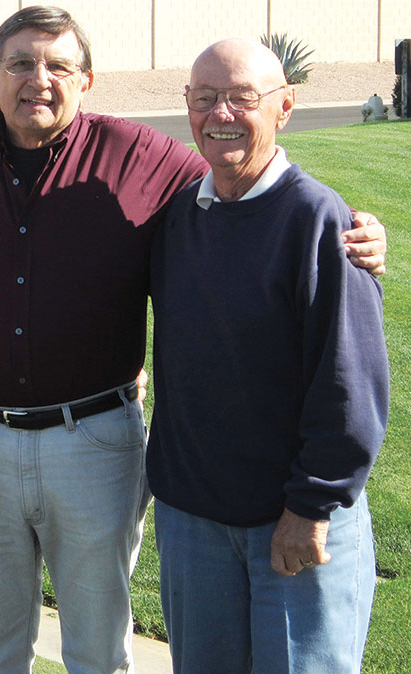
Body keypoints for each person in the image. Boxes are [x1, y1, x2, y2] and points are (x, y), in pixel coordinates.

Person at [0, 7, 387, 674]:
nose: (39, 79)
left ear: (87, 81)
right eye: (22, 63)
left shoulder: (143, 158)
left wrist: (349, 230)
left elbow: (248, 173)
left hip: (96, 441)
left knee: (99, 649)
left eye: (60, 66)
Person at [146, 38, 388, 674]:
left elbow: (349, 388)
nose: (221, 113)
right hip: (193, 524)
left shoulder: (321, 222)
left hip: (292, 525)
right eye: (205, 99)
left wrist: (310, 507)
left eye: (241, 98)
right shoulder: (178, 218)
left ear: (284, 108)